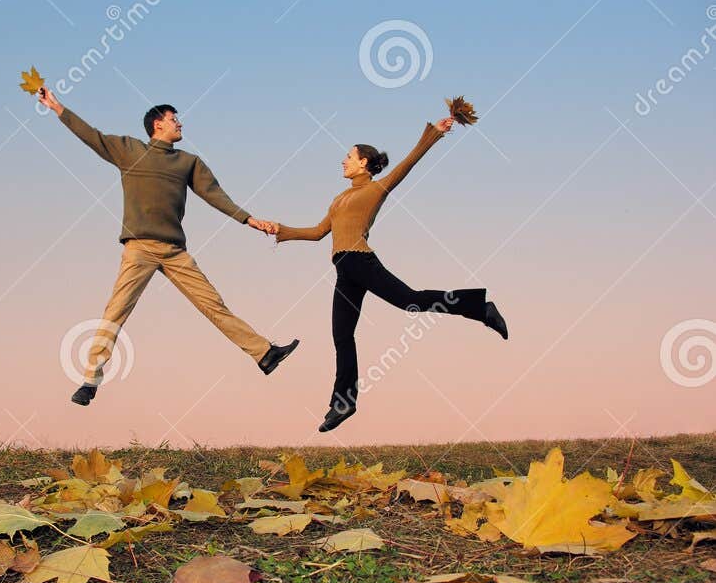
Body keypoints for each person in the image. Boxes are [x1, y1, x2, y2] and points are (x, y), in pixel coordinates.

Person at [38, 89, 298, 401]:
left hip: (175, 251)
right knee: (116, 311)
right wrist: (56, 107)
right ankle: (90, 381)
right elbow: (90, 135)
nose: (180, 125)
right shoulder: (128, 150)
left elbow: (216, 195)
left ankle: (264, 354)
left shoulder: (188, 162)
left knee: (213, 305)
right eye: (175, 120)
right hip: (139, 248)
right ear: (157, 125)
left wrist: (249, 219)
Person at [273, 119, 508, 431]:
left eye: (349, 156)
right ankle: (343, 403)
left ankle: (479, 308)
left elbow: (408, 164)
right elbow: (318, 233)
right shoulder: (338, 199)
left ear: (364, 162)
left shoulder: (375, 189)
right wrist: (280, 230)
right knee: (341, 336)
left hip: (361, 262)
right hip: (344, 271)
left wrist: (434, 134)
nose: (343, 161)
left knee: (411, 301)